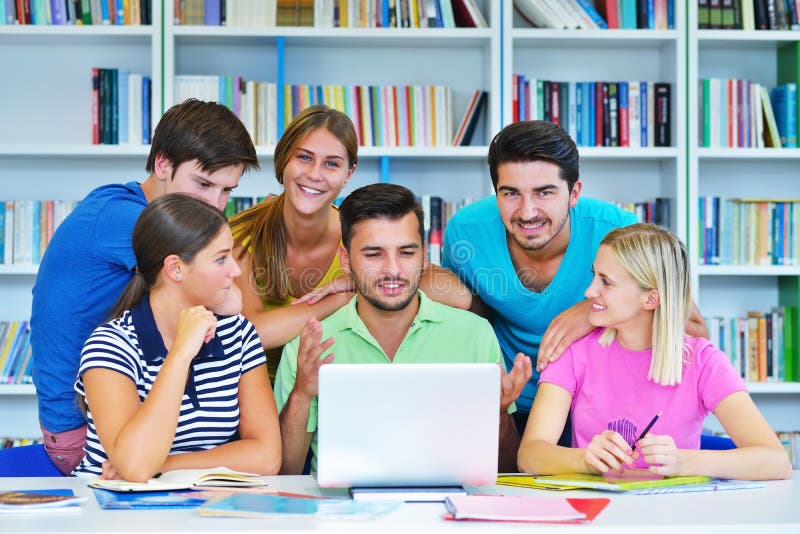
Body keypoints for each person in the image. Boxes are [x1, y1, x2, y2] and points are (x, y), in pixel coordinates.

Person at [31, 98, 259, 475]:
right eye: (203, 184)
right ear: (163, 164)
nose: (215, 205)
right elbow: (234, 303)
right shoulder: (130, 219)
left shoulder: (132, 206)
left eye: (226, 191)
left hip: (126, 407)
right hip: (83, 430)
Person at [442, 120, 707, 432]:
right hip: (503, 403)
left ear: (574, 192)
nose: (528, 212)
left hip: (598, 408)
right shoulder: (465, 232)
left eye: (545, 192)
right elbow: (464, 320)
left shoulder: (618, 231)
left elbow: (696, 330)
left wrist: (592, 311)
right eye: (511, 193)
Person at [274, 183, 532, 475]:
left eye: (406, 253)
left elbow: (508, 471)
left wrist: (497, 414)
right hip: (341, 515)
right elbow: (285, 474)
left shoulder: (475, 334)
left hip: (447, 513)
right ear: (346, 260)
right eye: (374, 254)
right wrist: (302, 395)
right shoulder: (307, 345)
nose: (393, 270)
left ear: (424, 255)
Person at [517, 223, 791, 481]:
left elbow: (776, 461)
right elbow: (529, 455)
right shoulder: (575, 353)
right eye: (594, 275)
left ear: (651, 298)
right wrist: (584, 460)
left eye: (606, 281)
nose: (590, 291)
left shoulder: (703, 361)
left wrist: (683, 462)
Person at [231, 105, 470, 381]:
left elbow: (459, 297)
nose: (315, 174)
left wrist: (365, 278)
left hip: (334, 389)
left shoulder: (358, 234)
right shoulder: (241, 234)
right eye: (304, 158)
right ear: (283, 158)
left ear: (348, 173)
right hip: (255, 392)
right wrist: (339, 298)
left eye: (331, 163)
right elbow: (250, 334)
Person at [72, 194, 281, 480]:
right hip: (115, 512)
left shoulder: (238, 333)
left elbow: (267, 456)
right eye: (221, 258)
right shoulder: (110, 345)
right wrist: (180, 354)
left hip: (200, 505)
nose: (235, 270)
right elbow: (135, 466)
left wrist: (165, 464)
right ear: (175, 269)